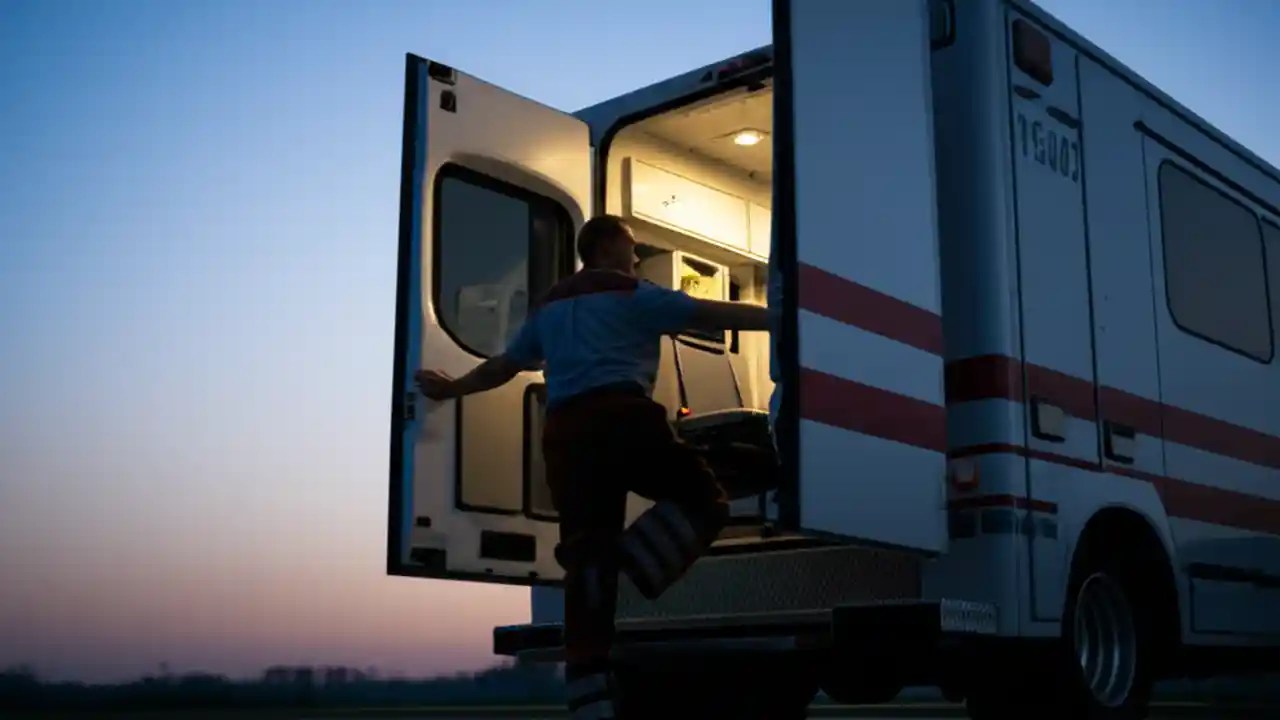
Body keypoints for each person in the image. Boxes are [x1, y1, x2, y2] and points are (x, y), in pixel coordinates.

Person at [415, 214, 769, 719]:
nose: (637, 257)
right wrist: (783, 317)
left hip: (566, 437)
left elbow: (504, 366)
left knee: (585, 557)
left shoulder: (549, 307)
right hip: (625, 421)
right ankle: (634, 562)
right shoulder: (635, 295)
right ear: (607, 249)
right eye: (631, 247)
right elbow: (712, 313)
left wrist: (451, 388)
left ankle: (587, 689)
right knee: (705, 501)